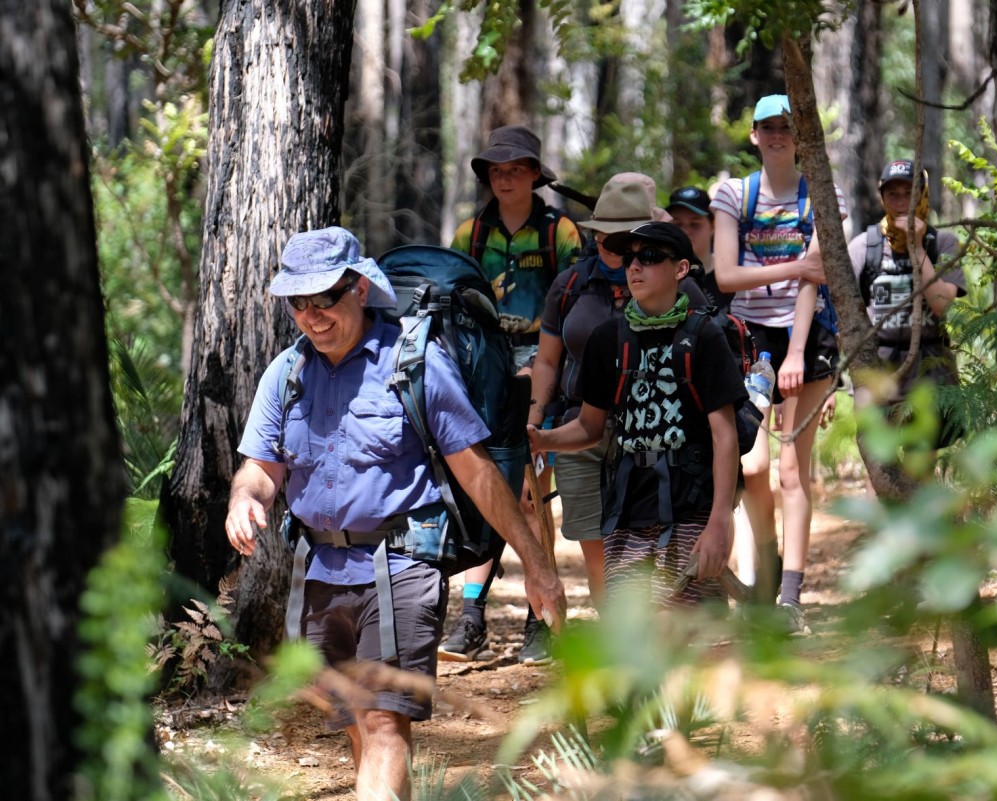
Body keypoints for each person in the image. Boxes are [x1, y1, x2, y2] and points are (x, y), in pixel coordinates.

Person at [225, 227, 567, 801]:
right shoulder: (285, 373)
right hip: (320, 572)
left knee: (385, 722)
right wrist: (245, 499)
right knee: (358, 723)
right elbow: (261, 468)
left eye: (325, 298)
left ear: (359, 288)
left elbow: (475, 468)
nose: (312, 316)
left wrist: (537, 563)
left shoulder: (415, 361)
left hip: (402, 563)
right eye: (298, 303)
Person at [529, 222, 746, 606]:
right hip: (626, 508)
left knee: (691, 634)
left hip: (691, 504)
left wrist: (718, 523)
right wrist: (541, 438)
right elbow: (588, 427)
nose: (634, 267)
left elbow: (724, 436)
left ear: (680, 269)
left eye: (649, 257)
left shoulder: (703, 336)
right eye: (629, 258)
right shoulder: (607, 339)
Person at [443, 125, 581, 665]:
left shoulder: (560, 232)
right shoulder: (469, 234)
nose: (505, 179)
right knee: (490, 484)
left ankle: (538, 621)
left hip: (542, 371)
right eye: (496, 171)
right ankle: (473, 615)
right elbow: (448, 299)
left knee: (530, 491)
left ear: (533, 176)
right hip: (485, 370)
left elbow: (576, 299)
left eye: (515, 170)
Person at [711, 93, 846, 631]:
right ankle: (764, 573)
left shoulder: (822, 195)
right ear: (753, 134)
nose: (776, 136)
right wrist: (793, 265)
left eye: (786, 127)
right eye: (767, 127)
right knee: (753, 465)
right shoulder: (732, 196)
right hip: (748, 336)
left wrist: (795, 351)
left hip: (806, 336)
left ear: (800, 133)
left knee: (793, 468)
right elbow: (725, 276)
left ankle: (788, 597)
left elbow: (817, 281)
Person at [847, 158, 966, 455]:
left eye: (909, 193)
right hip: (879, 373)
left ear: (923, 194)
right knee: (880, 469)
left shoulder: (944, 244)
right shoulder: (864, 247)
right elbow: (849, 314)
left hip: (929, 374)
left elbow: (940, 304)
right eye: (893, 194)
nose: (902, 203)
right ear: (882, 197)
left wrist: (916, 247)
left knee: (920, 469)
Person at [667, 185, 733, 311]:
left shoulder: (729, 274)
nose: (686, 231)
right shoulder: (662, 275)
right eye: (678, 224)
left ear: (713, 226)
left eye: (695, 224)